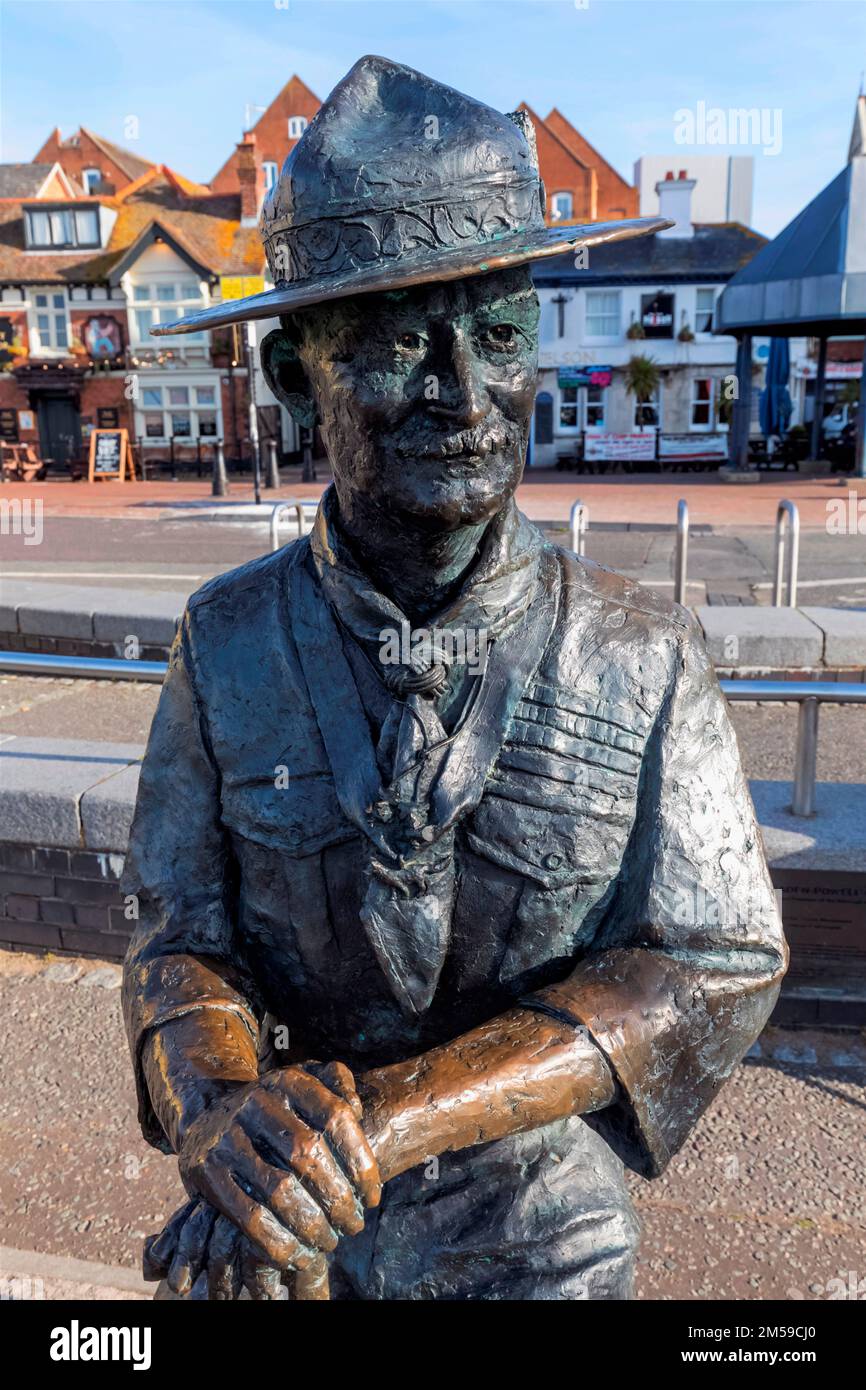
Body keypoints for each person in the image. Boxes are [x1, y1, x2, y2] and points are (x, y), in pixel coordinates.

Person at [123, 56, 787, 1301]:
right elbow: (179, 943)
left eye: (496, 335)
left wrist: (384, 1120)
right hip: (283, 1219)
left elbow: (708, 961)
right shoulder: (220, 645)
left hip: (538, 1232)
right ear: (290, 371)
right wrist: (223, 1117)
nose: (464, 396)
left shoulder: (642, 658)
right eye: (395, 349)